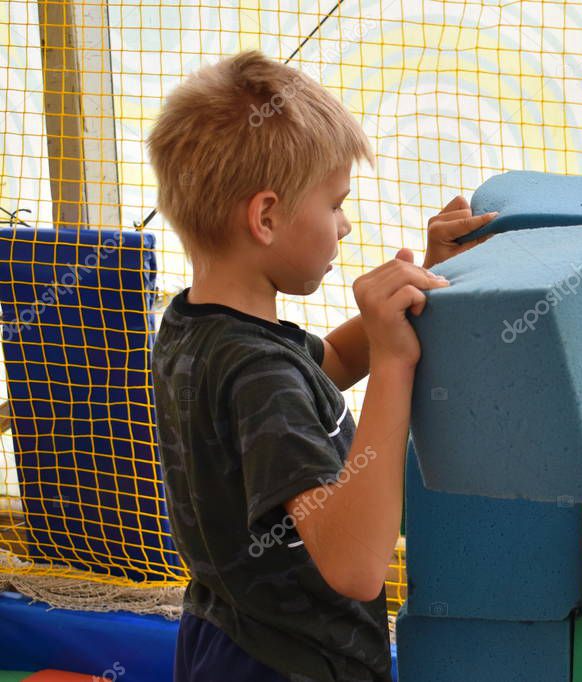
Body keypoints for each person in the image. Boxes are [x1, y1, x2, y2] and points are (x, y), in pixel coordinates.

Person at [146, 49, 497, 681]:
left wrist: (431, 276)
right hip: (288, 662)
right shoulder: (258, 372)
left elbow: (328, 363)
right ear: (267, 216)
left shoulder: (198, 327)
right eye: (335, 204)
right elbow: (357, 566)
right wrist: (395, 363)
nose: (346, 225)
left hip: (225, 634)